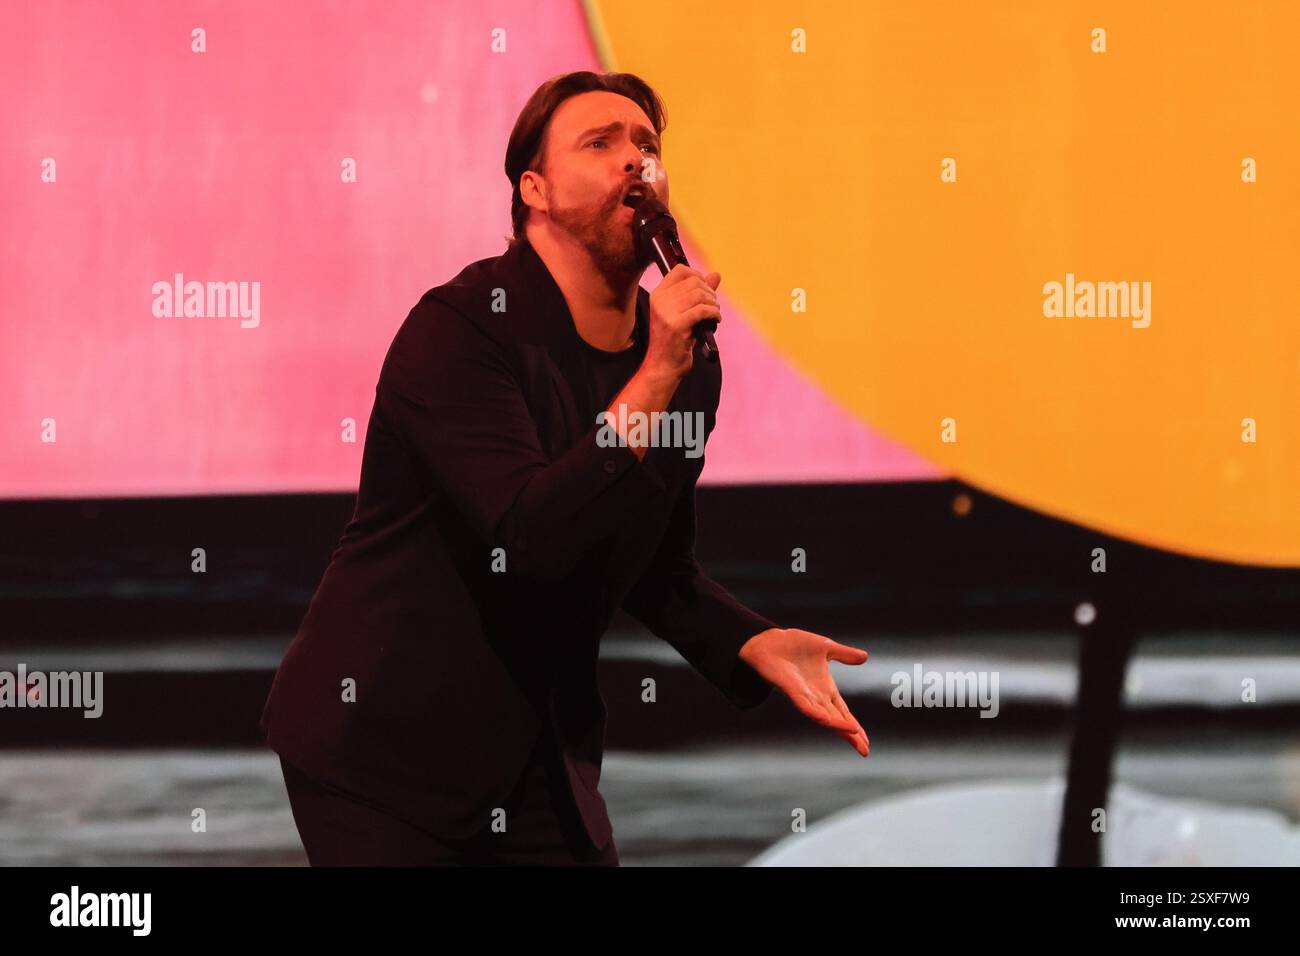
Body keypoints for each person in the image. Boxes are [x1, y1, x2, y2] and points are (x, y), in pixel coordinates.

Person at [260, 70, 870, 867]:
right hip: (384, 755)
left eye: (646, 146)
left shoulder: (688, 364)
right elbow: (529, 538)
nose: (634, 160)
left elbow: (650, 564)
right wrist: (652, 379)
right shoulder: (462, 331)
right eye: (601, 142)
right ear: (535, 189)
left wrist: (749, 641)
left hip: (537, 748)